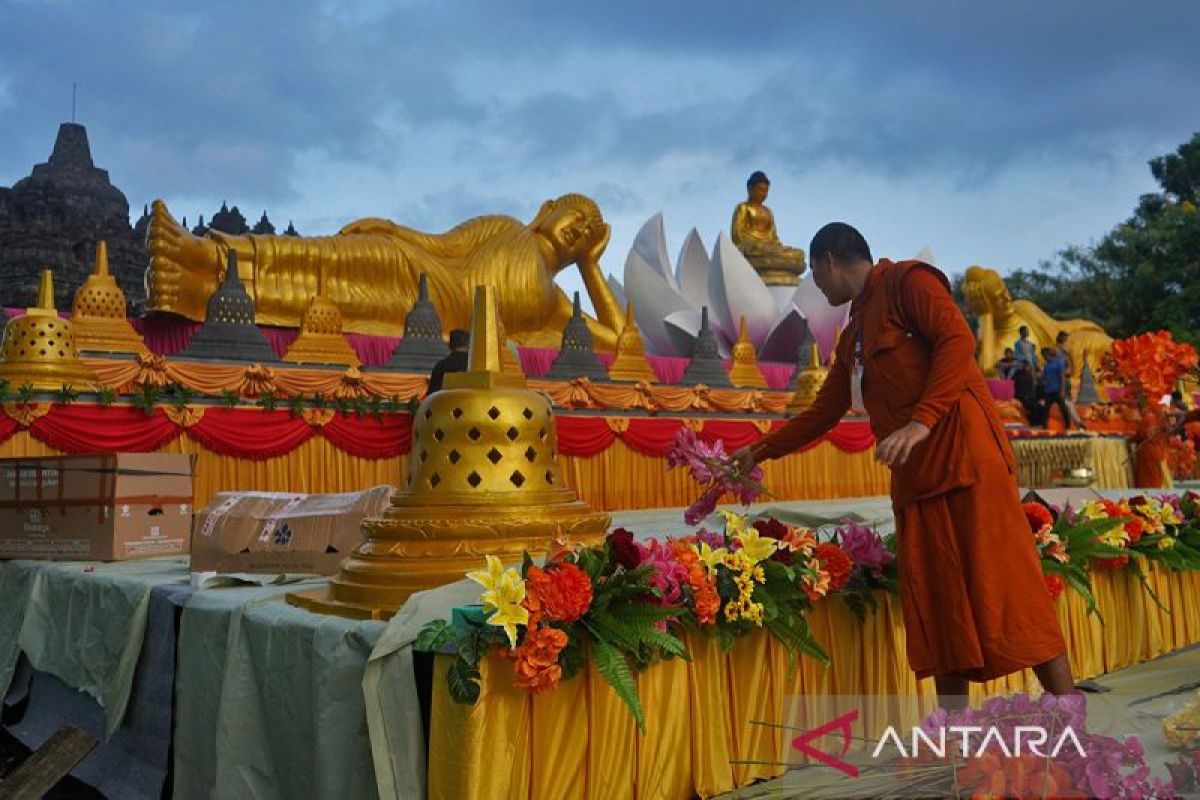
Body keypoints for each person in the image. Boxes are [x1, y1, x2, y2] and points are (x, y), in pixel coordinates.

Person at [733, 222, 1072, 708]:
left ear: (829, 260)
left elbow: (957, 341)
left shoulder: (909, 282)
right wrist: (758, 451)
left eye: (815, 273)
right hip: (917, 478)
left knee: (1011, 588)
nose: (817, 286)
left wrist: (920, 422)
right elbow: (823, 412)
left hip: (965, 460)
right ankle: (953, 735)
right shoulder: (854, 333)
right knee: (939, 606)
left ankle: (1070, 716)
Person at [730, 171, 807, 286]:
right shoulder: (743, 208)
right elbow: (737, 235)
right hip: (753, 247)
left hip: (769, 248)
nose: (764, 194)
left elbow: (773, 236)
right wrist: (755, 243)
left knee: (798, 254)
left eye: (766, 191)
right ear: (750, 189)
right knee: (761, 249)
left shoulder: (768, 211)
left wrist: (774, 245)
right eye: (760, 190)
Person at [1039, 346, 1073, 430]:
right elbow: (1044, 377)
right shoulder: (1046, 365)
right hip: (1048, 390)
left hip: (1057, 390)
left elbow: (1062, 377)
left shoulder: (1058, 363)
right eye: (1043, 356)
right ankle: (1044, 426)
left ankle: (1068, 425)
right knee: (1045, 409)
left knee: (1063, 408)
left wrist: (1062, 390)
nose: (1044, 357)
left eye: (1044, 355)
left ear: (1048, 354)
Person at [427, 329, 470, 394]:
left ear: (450, 345)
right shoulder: (475, 365)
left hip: (445, 399)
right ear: (469, 344)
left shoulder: (442, 365)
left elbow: (432, 393)